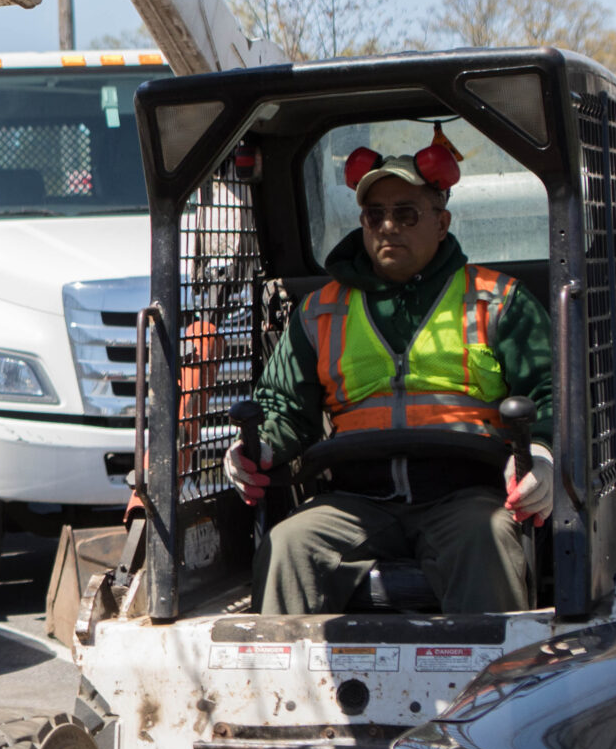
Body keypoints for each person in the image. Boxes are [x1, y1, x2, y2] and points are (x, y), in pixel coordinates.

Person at [228, 145, 555, 614]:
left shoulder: (499, 301)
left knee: (488, 540)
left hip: (466, 497)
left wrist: (539, 455)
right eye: (374, 214)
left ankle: (497, 684)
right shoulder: (320, 310)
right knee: (288, 544)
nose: (387, 226)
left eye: (406, 214)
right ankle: (286, 687)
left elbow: (549, 392)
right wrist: (255, 449)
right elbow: (283, 407)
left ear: (441, 224)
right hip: (357, 499)